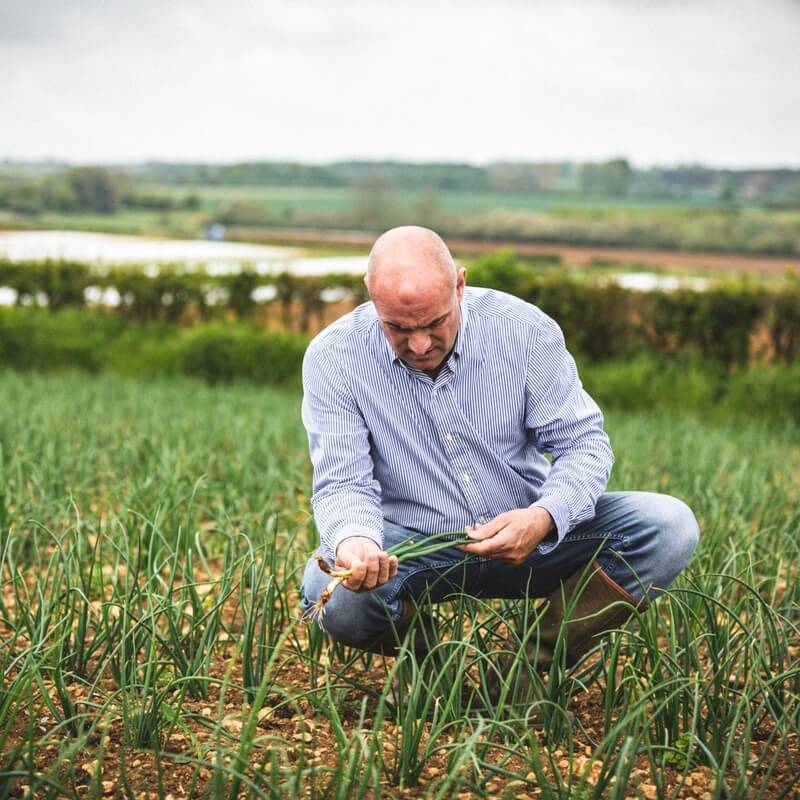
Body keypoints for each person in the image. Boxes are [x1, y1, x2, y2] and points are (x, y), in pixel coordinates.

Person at [299, 226, 699, 680]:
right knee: (329, 590)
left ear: (459, 285)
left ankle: (525, 673)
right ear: (372, 297)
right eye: (397, 328)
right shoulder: (334, 357)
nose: (419, 345)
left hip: (533, 538)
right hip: (416, 550)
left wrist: (544, 516)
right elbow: (343, 481)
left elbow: (583, 445)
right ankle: (436, 674)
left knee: (669, 526)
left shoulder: (523, 331)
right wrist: (357, 542)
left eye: (434, 323)